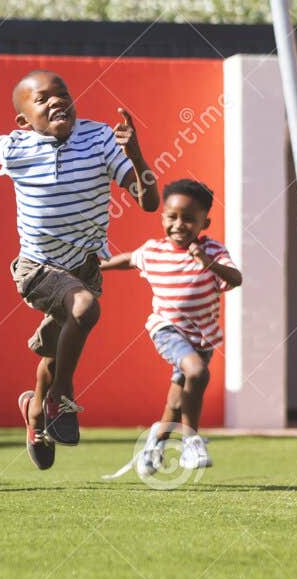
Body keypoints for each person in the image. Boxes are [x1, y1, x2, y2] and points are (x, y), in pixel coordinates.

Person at [0, 70, 158, 469]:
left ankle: (34, 411)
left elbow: (148, 201)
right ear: (24, 121)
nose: (56, 101)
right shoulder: (18, 147)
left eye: (62, 93)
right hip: (37, 268)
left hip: (83, 268)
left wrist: (135, 154)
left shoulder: (99, 139)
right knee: (84, 309)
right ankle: (60, 399)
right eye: (42, 99)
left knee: (56, 349)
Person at [101, 178, 241, 474]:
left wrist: (208, 263)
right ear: (163, 217)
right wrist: (97, 266)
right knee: (197, 372)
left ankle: (155, 443)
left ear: (205, 221)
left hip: (201, 338)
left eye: (189, 219)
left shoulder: (213, 251)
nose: (179, 224)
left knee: (176, 401)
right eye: (172, 217)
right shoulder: (154, 251)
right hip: (166, 329)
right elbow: (129, 259)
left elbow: (235, 278)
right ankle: (191, 440)